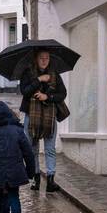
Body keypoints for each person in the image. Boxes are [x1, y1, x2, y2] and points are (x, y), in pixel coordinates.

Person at [20, 49, 67, 192]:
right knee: (32, 148)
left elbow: (62, 93)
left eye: (47, 58)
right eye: (41, 58)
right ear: (36, 59)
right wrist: (38, 80)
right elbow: (25, 91)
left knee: (50, 148)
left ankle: (51, 180)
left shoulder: (55, 75)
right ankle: (36, 179)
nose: (44, 60)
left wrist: (48, 97)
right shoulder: (28, 73)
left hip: (49, 115)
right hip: (31, 115)